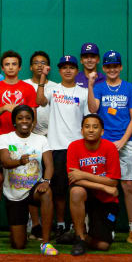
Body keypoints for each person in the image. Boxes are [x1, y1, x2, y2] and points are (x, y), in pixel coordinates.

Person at [86, 50, 132, 244]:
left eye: (115, 65)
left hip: (123, 142)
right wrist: (91, 86)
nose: (112, 69)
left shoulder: (129, 88)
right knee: (102, 186)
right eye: (109, 66)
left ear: (121, 67)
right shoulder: (99, 87)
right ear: (104, 68)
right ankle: (100, 227)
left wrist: (124, 141)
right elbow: (93, 109)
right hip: (103, 143)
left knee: (128, 185)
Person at [0, 49, 37, 238]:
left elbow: (33, 119)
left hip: (24, 142)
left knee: (28, 181)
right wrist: (5, 107)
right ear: (2, 67)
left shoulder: (28, 89)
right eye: (7, 64)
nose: (11, 67)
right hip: (1, 142)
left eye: (14, 64)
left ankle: (35, 225)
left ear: (20, 67)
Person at [36, 55, 88, 240]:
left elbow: (89, 119)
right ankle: (60, 224)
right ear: (59, 71)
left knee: (77, 188)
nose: (67, 70)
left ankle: (78, 225)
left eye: (71, 67)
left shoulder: (83, 92)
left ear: (77, 71)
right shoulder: (53, 89)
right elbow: (40, 101)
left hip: (77, 148)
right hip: (56, 146)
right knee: (58, 190)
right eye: (64, 67)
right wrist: (42, 78)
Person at [0, 105, 57, 255]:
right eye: (20, 118)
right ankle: (20, 231)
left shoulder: (41, 139)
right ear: (14, 122)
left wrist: (46, 181)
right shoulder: (5, 138)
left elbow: (49, 165)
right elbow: (4, 162)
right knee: (18, 244)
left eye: (28, 118)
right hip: (14, 193)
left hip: (34, 188)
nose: (24, 121)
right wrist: (19, 162)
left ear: (33, 122)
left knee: (47, 193)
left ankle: (46, 243)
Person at [66, 114, 120, 256]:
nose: (91, 130)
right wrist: (102, 186)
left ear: (102, 131)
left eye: (95, 127)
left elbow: (113, 182)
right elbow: (74, 179)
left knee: (103, 245)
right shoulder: (73, 146)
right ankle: (79, 238)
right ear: (82, 130)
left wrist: (83, 174)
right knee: (76, 191)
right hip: (87, 194)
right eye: (87, 126)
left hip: (105, 200)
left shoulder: (110, 147)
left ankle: (82, 236)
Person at [27, 50, 52, 240]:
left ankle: (51, 224)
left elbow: (42, 102)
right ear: (30, 66)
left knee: (48, 180)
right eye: (36, 62)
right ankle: (34, 222)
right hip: (29, 136)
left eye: (43, 63)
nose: (39, 65)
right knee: (29, 177)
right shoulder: (25, 85)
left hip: (51, 137)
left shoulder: (56, 87)